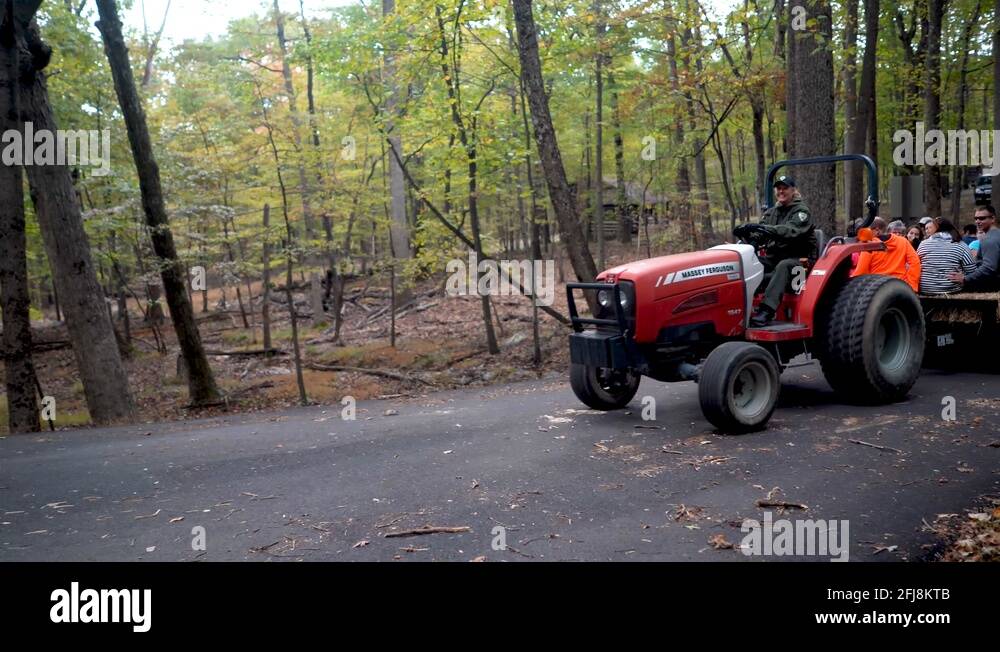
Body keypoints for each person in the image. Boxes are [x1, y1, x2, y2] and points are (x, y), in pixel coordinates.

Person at [733, 174, 816, 326]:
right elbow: (761, 234)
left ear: (793, 190)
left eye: (785, 188)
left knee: (783, 266)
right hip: (774, 259)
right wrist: (748, 232)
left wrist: (766, 229)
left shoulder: (801, 212)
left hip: (800, 263)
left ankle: (766, 311)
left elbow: (791, 230)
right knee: (749, 263)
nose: (781, 192)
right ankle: (736, 307)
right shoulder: (771, 212)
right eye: (779, 188)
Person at [851, 217, 921, 291]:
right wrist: (912, 286)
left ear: (877, 230)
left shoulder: (870, 246)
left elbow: (861, 271)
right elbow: (915, 263)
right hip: (901, 287)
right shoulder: (903, 241)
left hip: (877, 290)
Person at [917, 217, 978, 294]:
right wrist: (963, 276)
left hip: (925, 289)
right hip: (950, 290)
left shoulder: (923, 244)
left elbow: (916, 265)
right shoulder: (961, 245)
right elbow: (972, 271)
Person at [949, 205, 1000, 292]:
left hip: (992, 285)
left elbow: (989, 268)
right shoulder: (995, 234)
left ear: (993, 219)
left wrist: (965, 278)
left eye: (982, 218)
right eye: (976, 218)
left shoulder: (990, 239)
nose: (977, 221)